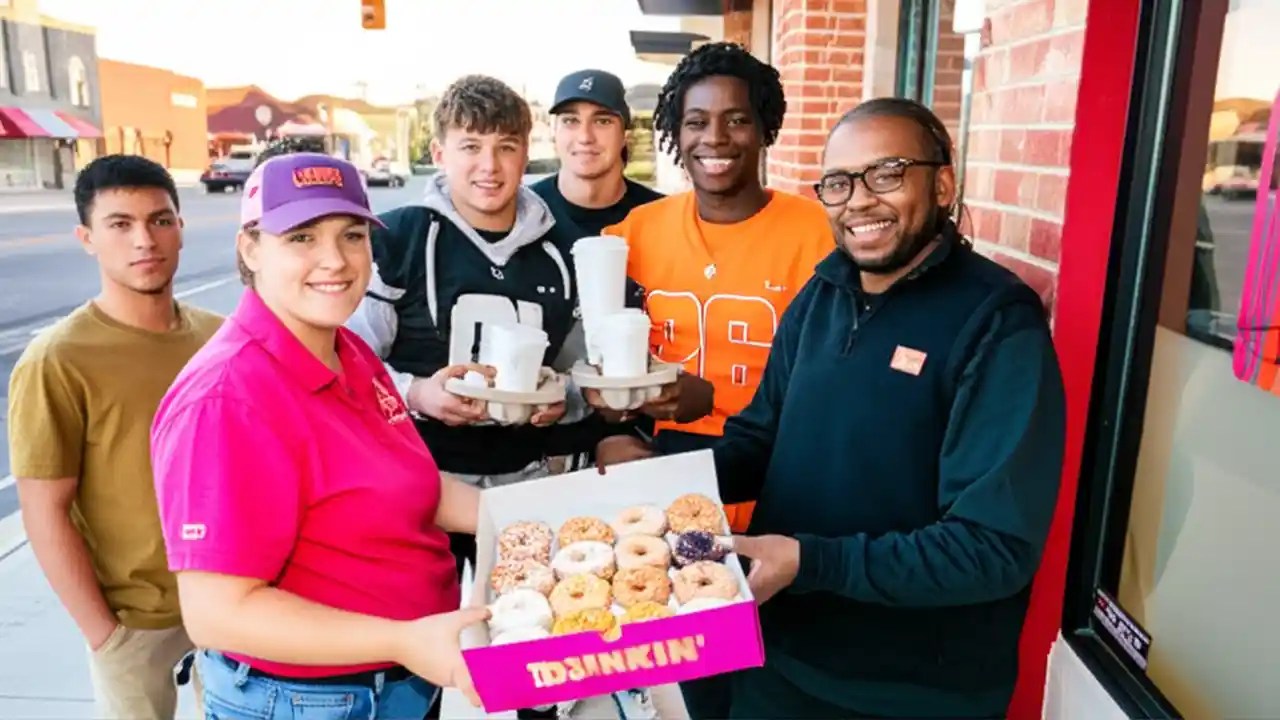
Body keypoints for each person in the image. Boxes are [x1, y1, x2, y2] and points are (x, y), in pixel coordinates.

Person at [709, 98, 1067, 718]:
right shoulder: (821, 294)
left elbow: (992, 548)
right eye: (840, 183)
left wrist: (811, 560)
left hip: (911, 692)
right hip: (779, 658)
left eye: (887, 173)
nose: (859, 200)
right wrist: (648, 481)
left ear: (944, 184)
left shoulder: (995, 321)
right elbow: (759, 442)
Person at [149, 152, 489, 720]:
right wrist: (404, 640)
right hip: (309, 702)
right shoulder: (227, 399)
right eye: (302, 236)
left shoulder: (345, 348)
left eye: (352, 235)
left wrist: (531, 514)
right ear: (251, 247)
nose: (335, 259)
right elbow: (217, 614)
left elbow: (412, 489)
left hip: (399, 682)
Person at [593, 41, 830, 559]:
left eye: (737, 119)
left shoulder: (821, 236)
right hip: (664, 474)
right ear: (675, 132)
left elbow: (837, 387)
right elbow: (596, 354)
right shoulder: (634, 234)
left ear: (766, 127)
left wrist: (713, 400)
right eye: (696, 121)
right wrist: (611, 421)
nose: (714, 138)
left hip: (780, 478)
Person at [7, 155, 223, 720]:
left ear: (180, 227)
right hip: (133, 623)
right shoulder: (57, 359)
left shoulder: (219, 338)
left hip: (229, 603)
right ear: (87, 237)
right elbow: (44, 511)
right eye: (120, 224)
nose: (144, 240)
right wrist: (104, 634)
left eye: (159, 220)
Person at [531, 68, 662, 238]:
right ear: (554, 132)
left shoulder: (662, 216)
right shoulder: (521, 214)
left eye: (602, 121)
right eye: (571, 121)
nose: (585, 137)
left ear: (625, 135)